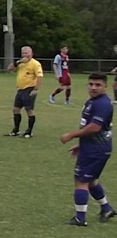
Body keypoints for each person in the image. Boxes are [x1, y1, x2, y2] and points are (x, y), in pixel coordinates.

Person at [59, 73, 117, 226]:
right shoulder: (93, 101)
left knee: (81, 181)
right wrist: (82, 144)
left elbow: (95, 128)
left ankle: (80, 218)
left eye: (98, 85)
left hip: (96, 150)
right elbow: (97, 129)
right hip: (94, 147)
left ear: (105, 87)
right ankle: (106, 208)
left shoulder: (102, 104)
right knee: (91, 180)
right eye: (91, 84)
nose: (93, 88)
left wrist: (71, 135)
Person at [7, 45, 45, 138]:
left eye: (26, 53)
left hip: (29, 89)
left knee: (29, 109)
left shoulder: (35, 64)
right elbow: (10, 69)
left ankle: (29, 131)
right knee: (15, 109)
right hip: (20, 89)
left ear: (31, 53)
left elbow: (40, 77)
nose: (25, 55)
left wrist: (36, 89)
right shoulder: (21, 63)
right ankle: (16, 130)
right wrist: (18, 62)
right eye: (23, 53)